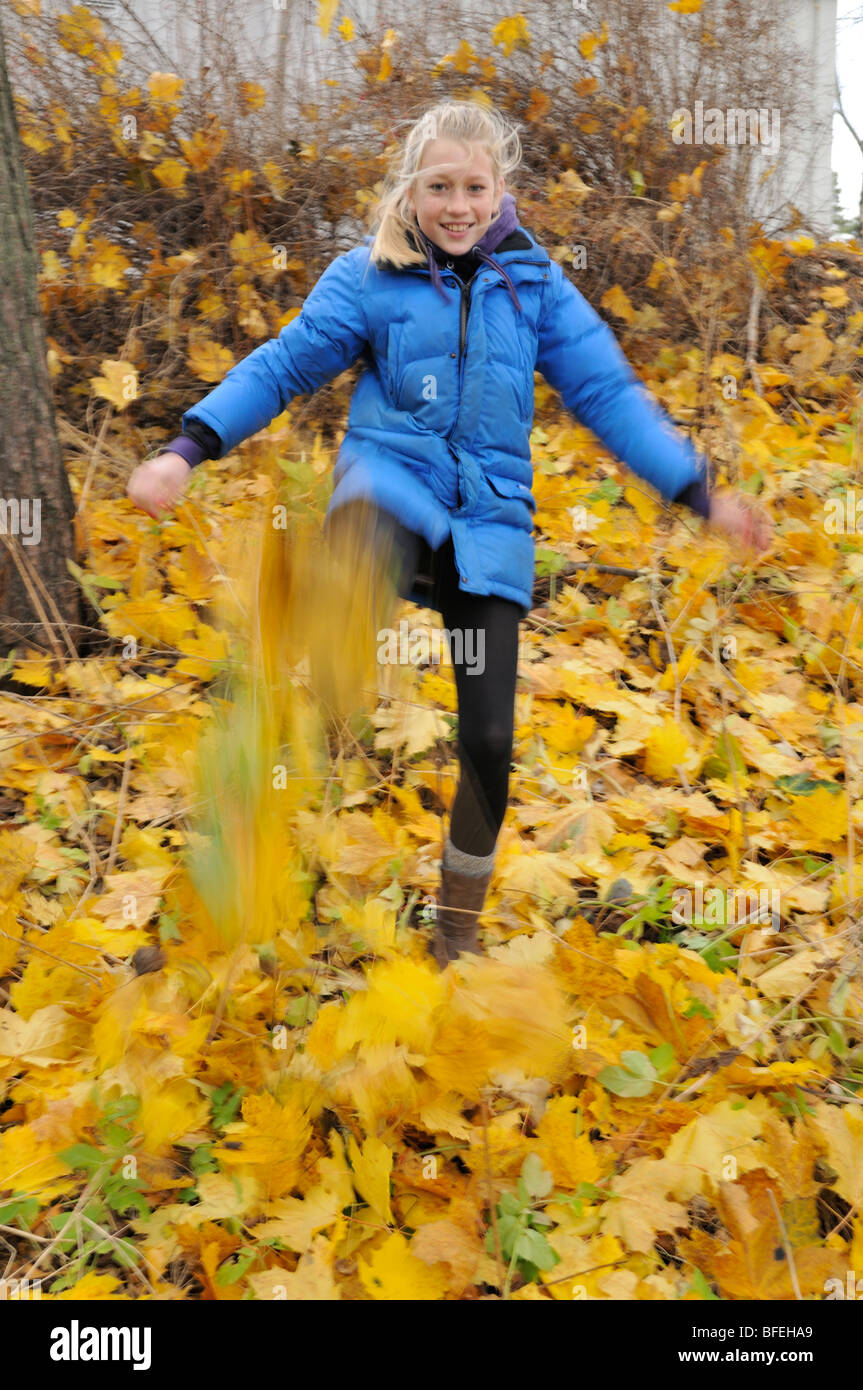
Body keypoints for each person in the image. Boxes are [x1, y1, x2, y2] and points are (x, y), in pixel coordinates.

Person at [127, 99, 773, 970]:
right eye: (439, 187)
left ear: (500, 190)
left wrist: (701, 493)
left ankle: (455, 934)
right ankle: (206, 903)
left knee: (490, 744)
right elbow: (281, 365)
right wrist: (185, 450)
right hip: (386, 495)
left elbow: (609, 397)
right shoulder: (368, 276)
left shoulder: (537, 285)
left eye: (474, 186)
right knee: (315, 686)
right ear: (411, 190)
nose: (457, 206)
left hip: (488, 523)